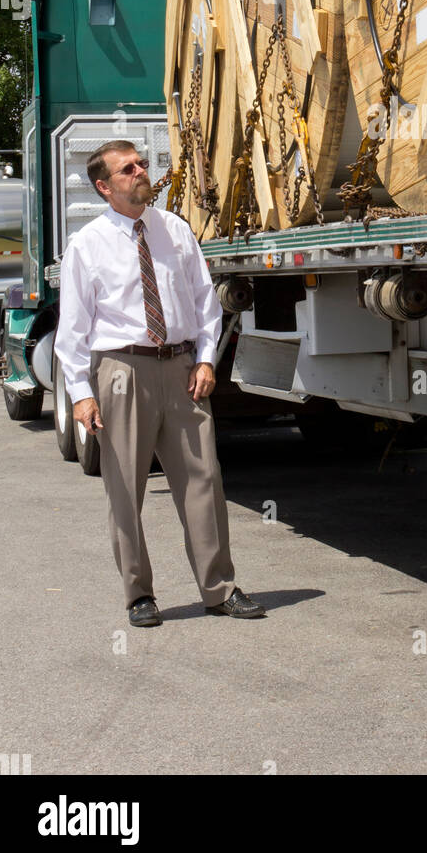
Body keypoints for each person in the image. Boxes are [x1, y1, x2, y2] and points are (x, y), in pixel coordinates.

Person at [53, 139, 265, 627]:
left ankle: (220, 589)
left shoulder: (175, 230)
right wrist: (82, 395)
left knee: (204, 480)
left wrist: (206, 360)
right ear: (105, 186)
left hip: (182, 369)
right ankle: (138, 595)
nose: (141, 171)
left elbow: (205, 304)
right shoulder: (87, 245)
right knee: (125, 488)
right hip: (121, 372)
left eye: (143, 164)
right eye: (128, 168)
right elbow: (73, 331)